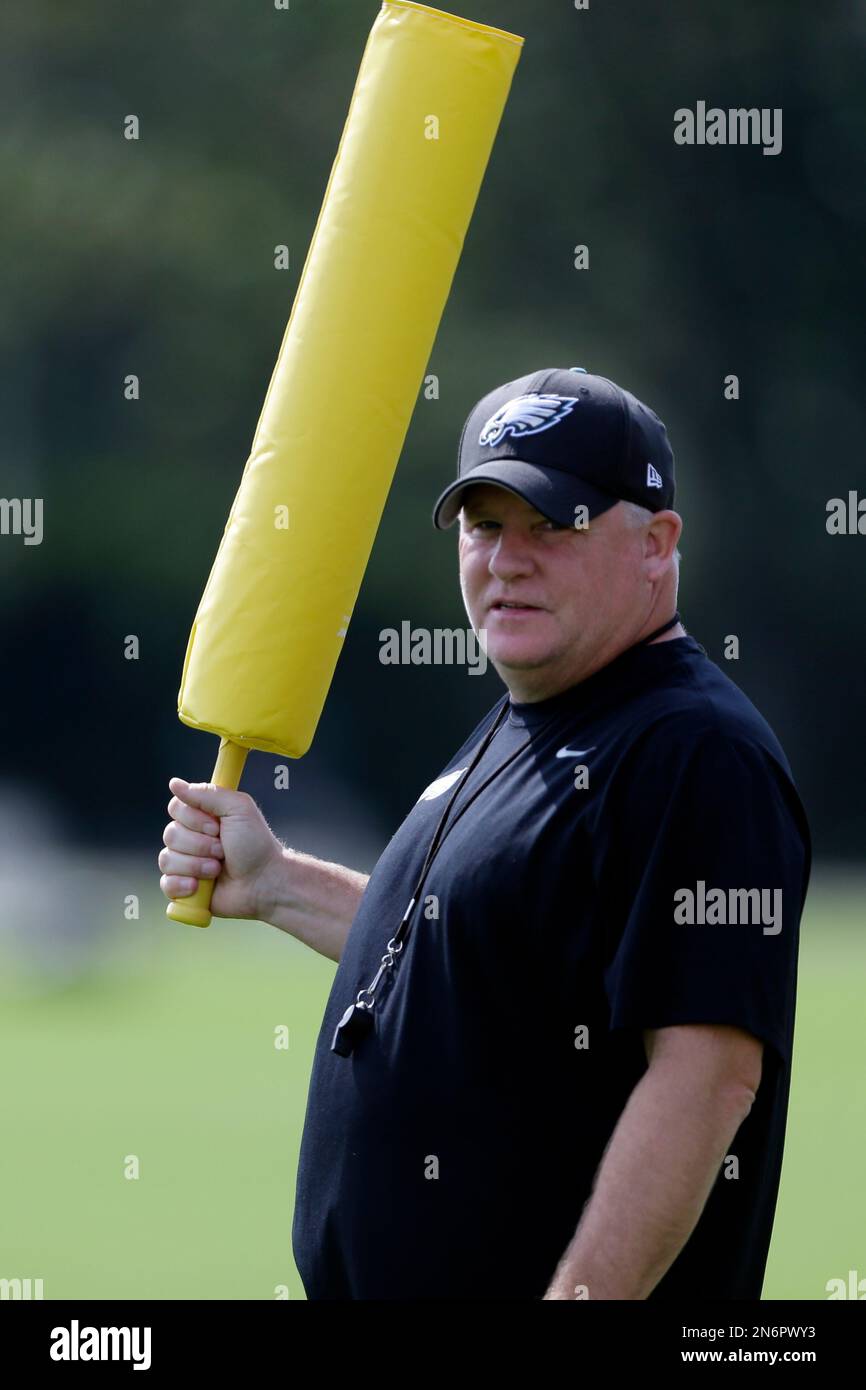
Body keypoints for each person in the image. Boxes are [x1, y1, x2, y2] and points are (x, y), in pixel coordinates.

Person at [159, 367, 811, 1301]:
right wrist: (278, 886)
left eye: (556, 525)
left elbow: (705, 1079)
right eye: (485, 526)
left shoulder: (692, 752)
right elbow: (473, 965)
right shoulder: (531, 713)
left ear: (657, 544)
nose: (508, 560)